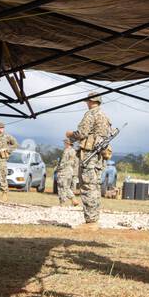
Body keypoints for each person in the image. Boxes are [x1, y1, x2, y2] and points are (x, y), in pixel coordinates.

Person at [67, 94, 113, 229]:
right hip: (98, 158)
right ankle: (94, 219)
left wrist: (70, 134)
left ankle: (91, 221)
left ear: (91, 101)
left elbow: (82, 133)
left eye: (87, 101)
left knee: (88, 186)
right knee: (95, 187)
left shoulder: (91, 114)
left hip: (89, 155)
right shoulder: (105, 117)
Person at [55, 137, 80, 206]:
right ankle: (67, 201)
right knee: (66, 187)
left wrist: (58, 169)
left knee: (62, 187)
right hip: (70, 171)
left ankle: (65, 202)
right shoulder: (74, 151)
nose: (64, 144)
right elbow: (76, 163)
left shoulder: (66, 151)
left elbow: (63, 162)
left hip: (64, 171)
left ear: (67, 143)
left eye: (64, 142)